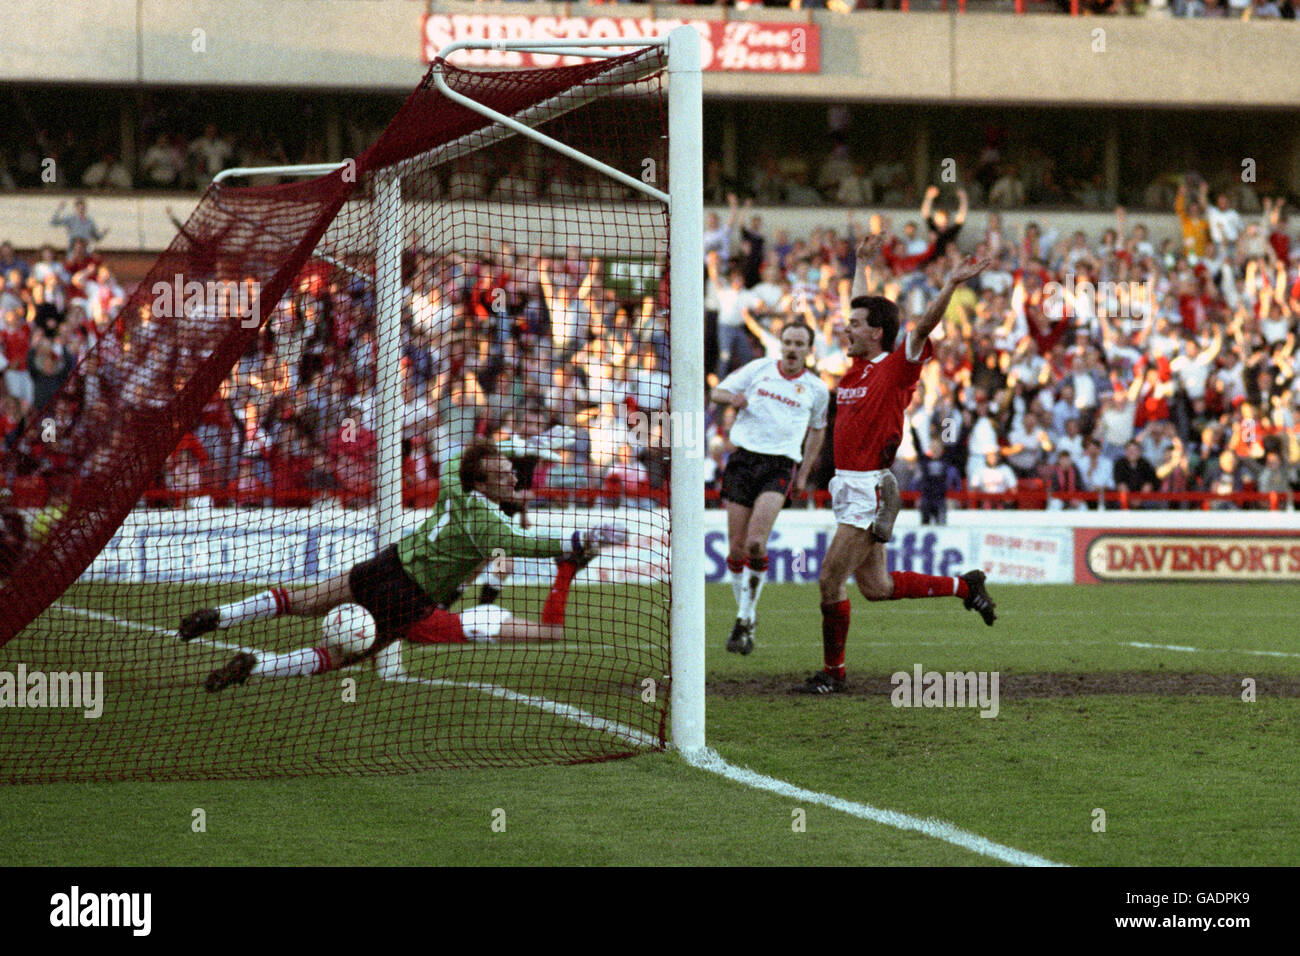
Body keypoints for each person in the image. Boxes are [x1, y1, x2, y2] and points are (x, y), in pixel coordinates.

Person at [182, 434, 626, 689]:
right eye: (503, 472)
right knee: (345, 657)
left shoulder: (454, 484)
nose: (513, 474)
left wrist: (502, 446)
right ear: (484, 484)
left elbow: (455, 461)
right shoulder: (490, 525)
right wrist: (580, 537)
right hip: (408, 596)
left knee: (301, 600)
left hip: (387, 564)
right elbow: (529, 546)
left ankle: (222, 615)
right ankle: (256, 669)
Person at [798, 233, 996, 695]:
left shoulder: (894, 367)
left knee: (830, 579)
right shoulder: (855, 366)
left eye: (856, 325)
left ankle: (834, 674)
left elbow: (922, 326)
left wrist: (948, 285)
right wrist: (862, 263)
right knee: (877, 587)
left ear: (877, 334)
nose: (846, 329)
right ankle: (967, 588)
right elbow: (861, 304)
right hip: (849, 485)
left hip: (869, 488)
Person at [710, 322, 829, 654]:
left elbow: (818, 430)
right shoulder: (759, 369)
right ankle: (746, 617)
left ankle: (744, 617)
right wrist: (734, 398)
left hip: (779, 465)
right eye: (788, 342)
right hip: (743, 460)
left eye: (799, 343)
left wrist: (804, 472)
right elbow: (716, 392)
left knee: (756, 543)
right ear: (780, 344)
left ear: (809, 349)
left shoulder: (816, 389)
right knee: (735, 550)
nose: (792, 348)